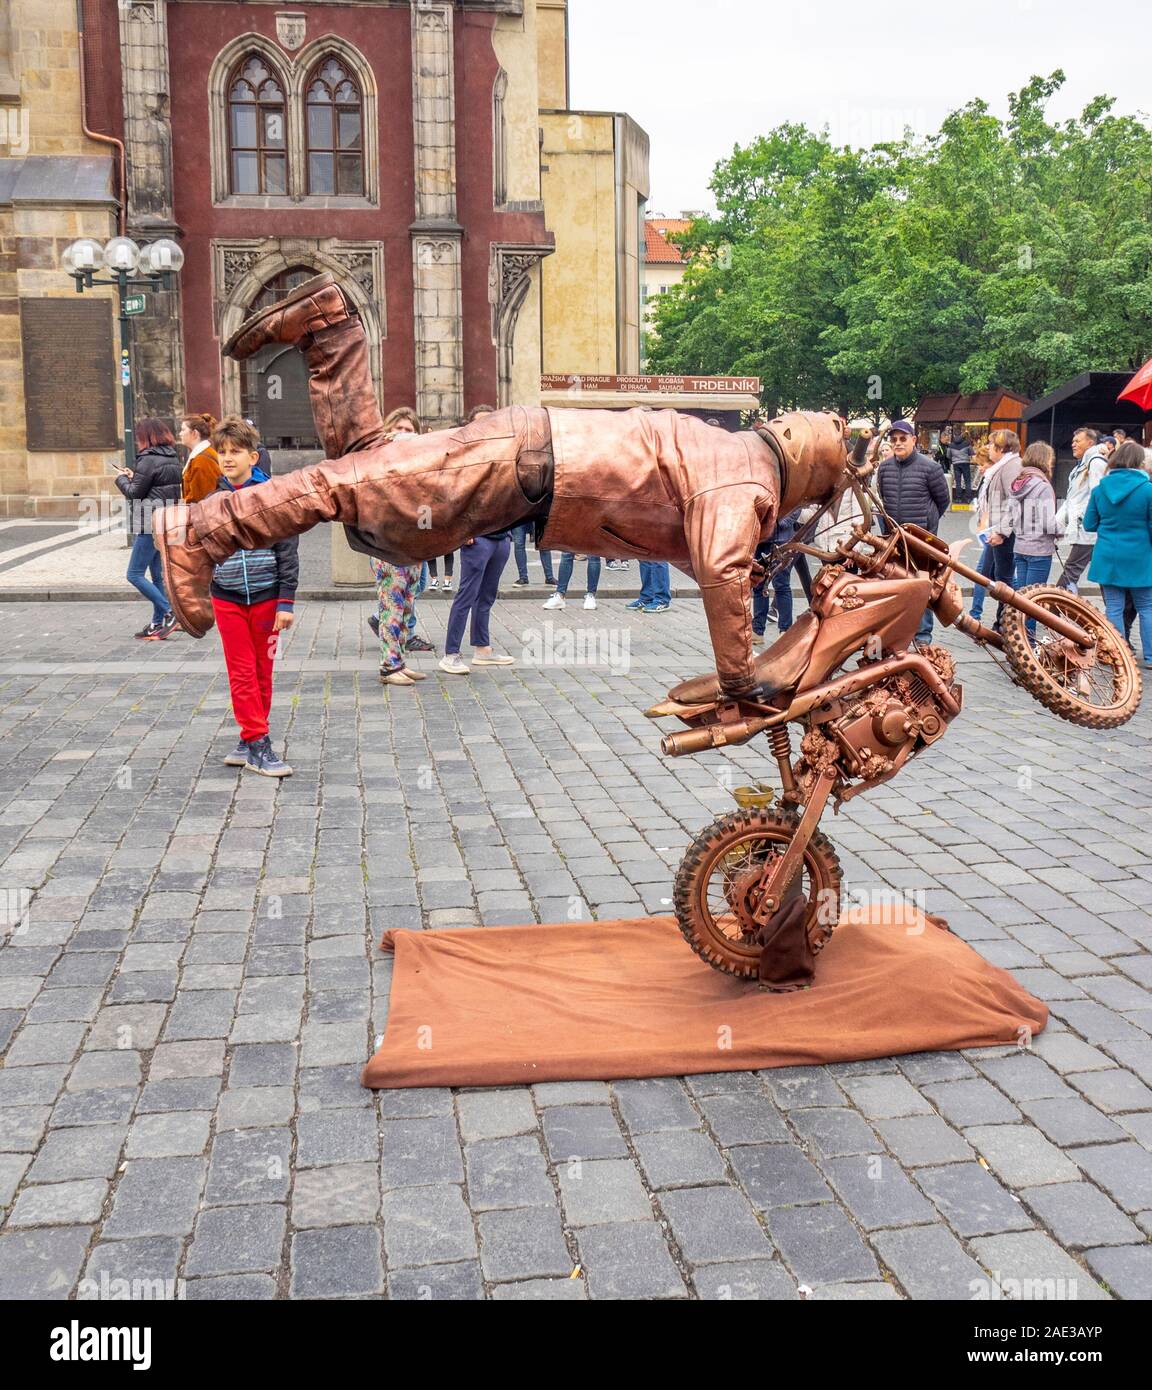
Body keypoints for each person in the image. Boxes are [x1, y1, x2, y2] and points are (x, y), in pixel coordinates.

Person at [155, 272, 848, 699]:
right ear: (806, 472)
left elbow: (694, 553)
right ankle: (202, 530)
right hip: (527, 462)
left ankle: (330, 328)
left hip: (527, 467)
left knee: (386, 519)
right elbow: (722, 570)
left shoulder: (724, 457)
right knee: (353, 487)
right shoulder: (744, 475)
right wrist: (739, 674)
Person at [208, 417, 297, 776]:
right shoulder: (214, 500)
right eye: (222, 452)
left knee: (263, 671)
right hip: (226, 597)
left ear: (253, 457)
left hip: (266, 596)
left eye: (236, 452)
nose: (228, 458)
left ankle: (249, 736)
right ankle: (258, 742)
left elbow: (288, 551)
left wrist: (286, 600)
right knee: (242, 672)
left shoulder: (273, 498)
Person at [439, 405, 517, 675]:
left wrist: (508, 529)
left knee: (486, 597)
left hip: (500, 538)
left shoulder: (504, 456)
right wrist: (463, 531)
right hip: (477, 539)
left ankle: (482, 649)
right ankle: (450, 654)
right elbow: (451, 497)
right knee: (467, 595)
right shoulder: (462, 459)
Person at [368, 407, 429, 687]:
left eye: (409, 429)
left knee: (407, 606)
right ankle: (389, 666)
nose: (403, 434)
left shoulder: (420, 461)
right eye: (399, 428)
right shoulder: (379, 460)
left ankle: (400, 661)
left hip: (413, 543)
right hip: (387, 545)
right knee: (390, 605)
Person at [876, 420, 950, 643]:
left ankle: (922, 636)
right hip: (895, 539)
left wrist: (928, 524)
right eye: (894, 439)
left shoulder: (931, 468)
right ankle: (896, 633)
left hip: (922, 540)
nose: (898, 443)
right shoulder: (885, 469)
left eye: (903, 439)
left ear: (914, 440)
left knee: (921, 586)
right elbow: (883, 498)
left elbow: (942, 501)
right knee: (895, 584)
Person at [1083, 439, 1152, 669]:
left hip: (1108, 555)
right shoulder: (1148, 489)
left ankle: (1118, 654)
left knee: (1113, 606)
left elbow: (1090, 524)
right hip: (1141, 556)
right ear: (1140, 462)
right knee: (1147, 607)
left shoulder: (1100, 489)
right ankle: (1150, 656)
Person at [116, 418, 181, 640]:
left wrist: (121, 479)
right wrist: (134, 477)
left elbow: (134, 493)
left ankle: (170, 612)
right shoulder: (171, 457)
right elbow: (155, 486)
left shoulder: (147, 459)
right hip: (164, 521)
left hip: (148, 523)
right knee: (157, 576)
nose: (136, 440)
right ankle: (156, 623)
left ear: (147, 436)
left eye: (139, 436)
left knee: (134, 574)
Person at [1054, 427, 1109, 593]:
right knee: (1102, 576)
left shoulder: (1096, 463)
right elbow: (1072, 499)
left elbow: (1097, 495)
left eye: (1078, 441)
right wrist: (1056, 523)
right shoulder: (1083, 465)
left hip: (1088, 531)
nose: (1073, 444)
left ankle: (1054, 609)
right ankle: (1119, 615)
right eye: (1073, 441)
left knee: (1071, 571)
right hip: (1085, 530)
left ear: (1090, 443)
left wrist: (1086, 521)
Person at [981, 429, 1024, 630]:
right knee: (991, 573)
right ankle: (1007, 618)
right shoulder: (1003, 465)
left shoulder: (1012, 466)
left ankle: (1006, 621)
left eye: (991, 444)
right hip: (998, 529)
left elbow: (1015, 502)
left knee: (1003, 577)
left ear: (1000, 447)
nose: (988, 448)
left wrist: (1001, 532)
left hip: (1006, 533)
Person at [178, 413, 221, 503]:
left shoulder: (202, 460)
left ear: (194, 433)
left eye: (183, 430)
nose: (180, 434)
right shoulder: (201, 455)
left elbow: (201, 498)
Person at [947, 428, 974, 504]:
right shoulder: (967, 443)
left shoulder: (951, 445)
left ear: (954, 435)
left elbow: (948, 455)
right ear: (961, 435)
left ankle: (958, 498)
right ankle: (968, 498)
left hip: (956, 464)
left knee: (958, 481)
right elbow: (972, 453)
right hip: (965, 463)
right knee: (967, 481)